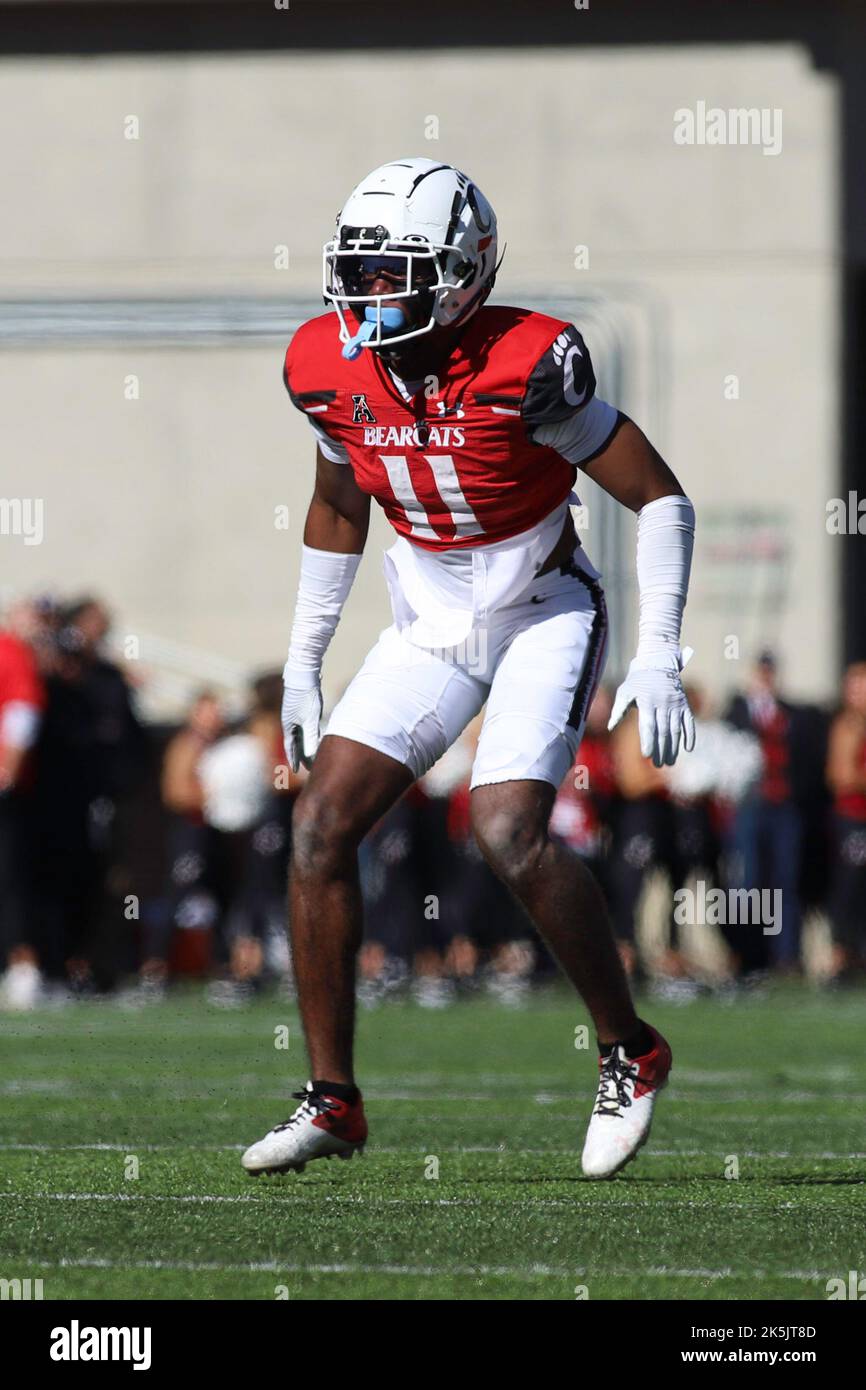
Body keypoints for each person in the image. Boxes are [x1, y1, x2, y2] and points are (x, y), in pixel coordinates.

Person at [241, 158, 696, 1181]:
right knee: (318, 826)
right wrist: (303, 658)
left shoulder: (529, 359)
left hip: (539, 604)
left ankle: (629, 1049)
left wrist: (663, 646)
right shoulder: (324, 361)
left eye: (391, 273)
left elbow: (658, 495)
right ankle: (333, 1099)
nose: (366, 296)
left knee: (505, 829)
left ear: (459, 274)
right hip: (427, 620)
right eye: (357, 272)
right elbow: (338, 504)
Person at [826, 661, 866, 980]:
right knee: (849, 884)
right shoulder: (847, 726)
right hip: (854, 817)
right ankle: (841, 951)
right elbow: (842, 776)